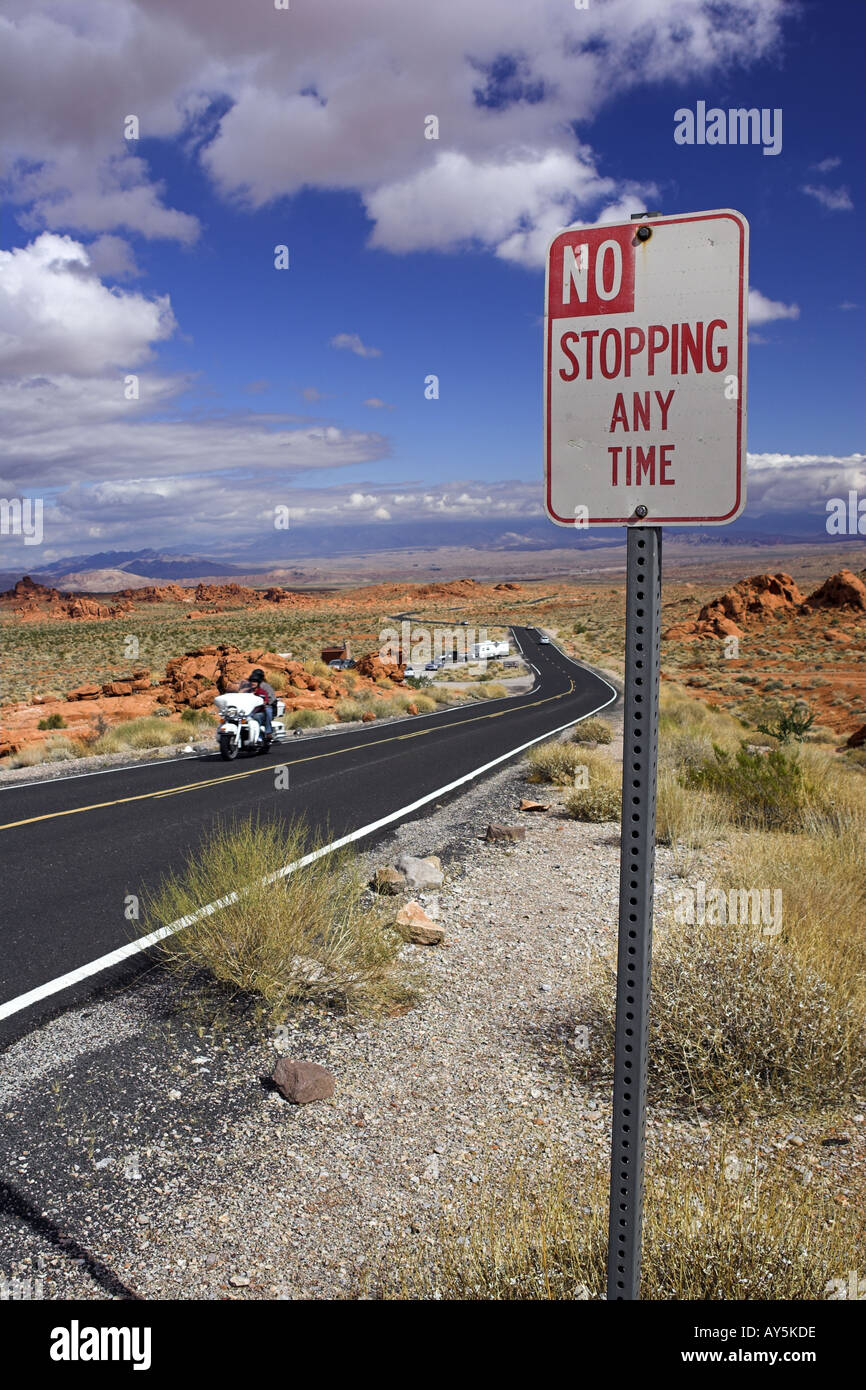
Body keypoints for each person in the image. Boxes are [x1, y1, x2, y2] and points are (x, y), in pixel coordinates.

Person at [248, 667, 275, 739]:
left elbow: (272, 697)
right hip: (252, 707)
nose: (254, 681)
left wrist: (266, 703)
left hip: (265, 706)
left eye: (257, 677)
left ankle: (268, 731)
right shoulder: (249, 687)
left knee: (268, 711)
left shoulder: (266, 686)